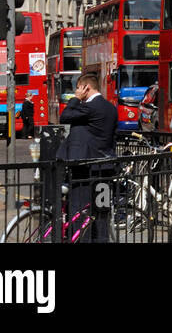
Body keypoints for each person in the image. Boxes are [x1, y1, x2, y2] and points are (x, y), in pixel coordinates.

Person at [58, 72, 119, 243]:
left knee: (80, 210)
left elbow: (65, 116)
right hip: (105, 167)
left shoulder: (89, 106)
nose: (76, 92)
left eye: (78, 88)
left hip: (85, 168)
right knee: (101, 212)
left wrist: (75, 99)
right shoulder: (110, 108)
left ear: (86, 88)